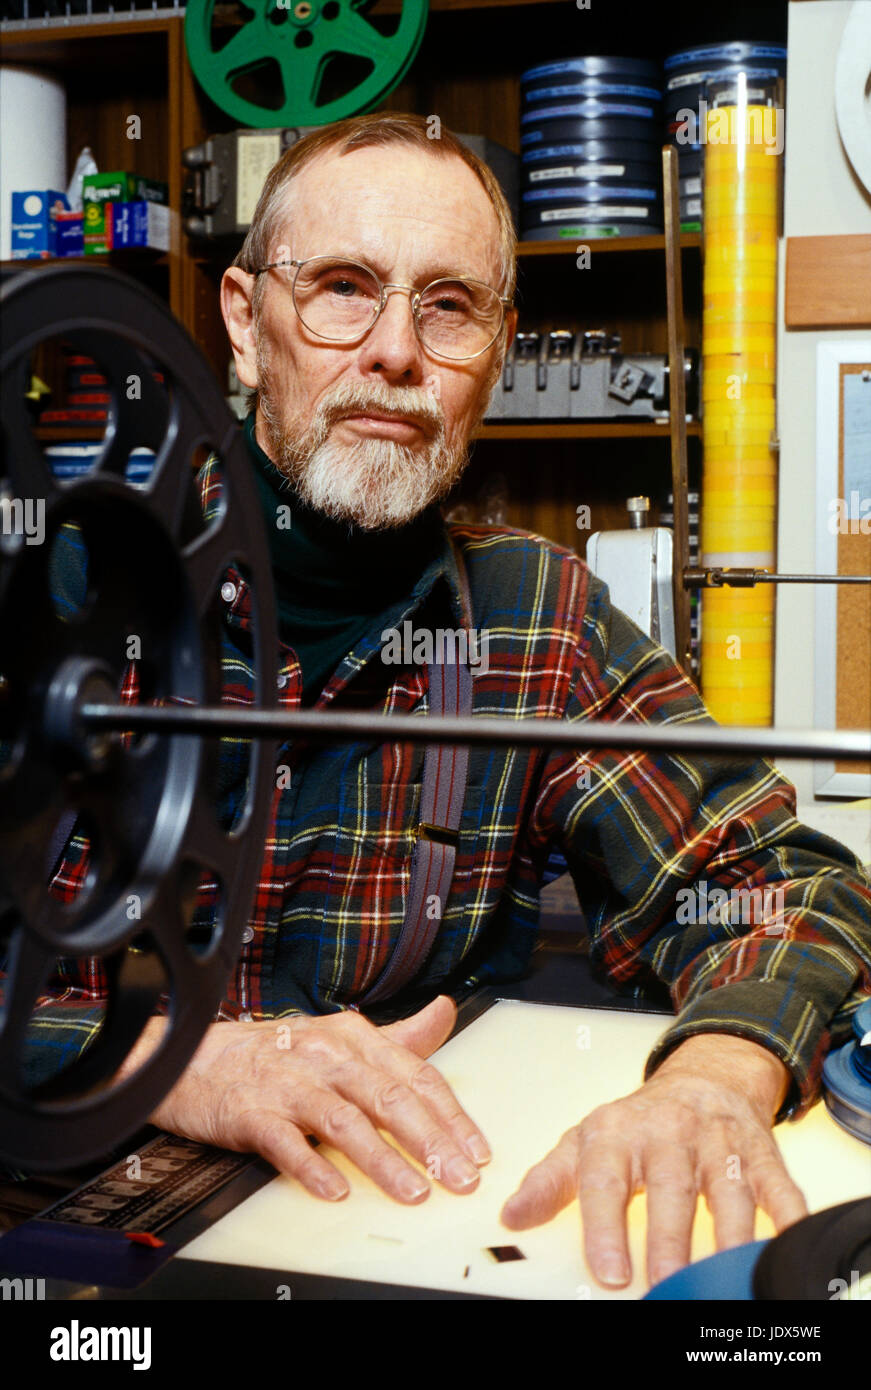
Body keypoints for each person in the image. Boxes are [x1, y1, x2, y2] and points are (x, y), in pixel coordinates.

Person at [27, 113, 871, 1293]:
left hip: (376, 1241)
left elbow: (781, 890)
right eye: (340, 288)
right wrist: (180, 1063)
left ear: (500, 346)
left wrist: (712, 1076)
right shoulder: (50, 589)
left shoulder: (537, 619)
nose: (393, 354)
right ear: (241, 320)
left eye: (449, 306)